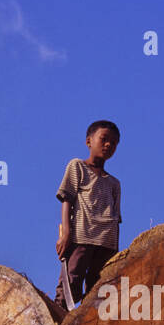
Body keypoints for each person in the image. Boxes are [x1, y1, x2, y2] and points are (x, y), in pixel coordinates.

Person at [55, 120, 122, 310]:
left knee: (98, 293)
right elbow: (66, 199)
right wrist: (66, 233)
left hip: (106, 245)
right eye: (104, 139)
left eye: (114, 143)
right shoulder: (77, 166)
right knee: (69, 288)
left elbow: (116, 219)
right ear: (89, 141)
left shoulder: (114, 183)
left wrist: (115, 252)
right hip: (81, 238)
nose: (108, 145)